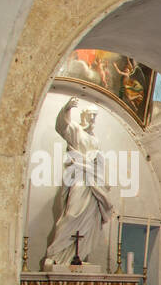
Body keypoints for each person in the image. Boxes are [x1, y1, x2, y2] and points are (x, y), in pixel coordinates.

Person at [42, 97, 113, 268]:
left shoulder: (95, 140)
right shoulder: (76, 130)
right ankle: (56, 253)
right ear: (83, 116)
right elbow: (61, 126)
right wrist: (66, 109)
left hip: (93, 183)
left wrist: (101, 176)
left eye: (95, 116)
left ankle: (79, 255)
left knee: (90, 218)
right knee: (72, 213)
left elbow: (99, 162)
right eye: (90, 115)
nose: (93, 119)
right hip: (79, 178)